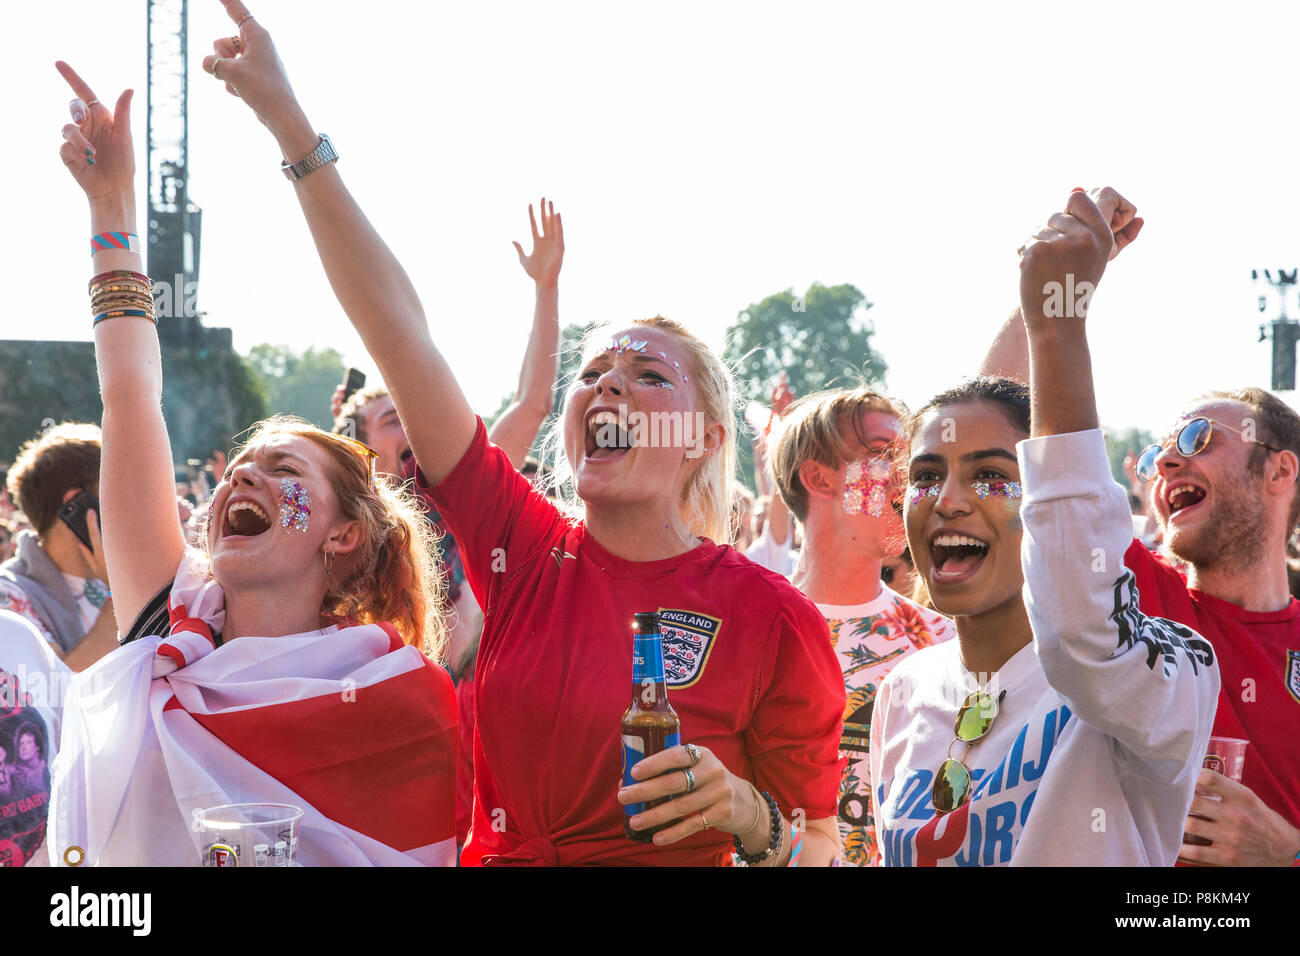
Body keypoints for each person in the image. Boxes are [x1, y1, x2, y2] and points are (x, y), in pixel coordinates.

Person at [205, 0, 844, 866]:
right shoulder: (522, 548)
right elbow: (401, 335)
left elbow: (822, 848)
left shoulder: (774, 617)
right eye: (592, 375)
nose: (608, 382)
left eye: (648, 376)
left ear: (701, 436)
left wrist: (747, 814)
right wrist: (291, 126)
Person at [46, 56, 458, 867]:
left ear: (342, 536)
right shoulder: (165, 626)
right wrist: (110, 208)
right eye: (244, 465)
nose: (245, 477)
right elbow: (130, 396)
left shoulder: (400, 701)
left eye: (287, 473)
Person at [870, 189, 1220, 866]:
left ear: (1043, 502)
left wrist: (1056, 325)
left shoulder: (1167, 667)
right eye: (925, 475)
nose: (948, 500)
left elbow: (1082, 628)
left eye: (992, 475)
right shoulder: (902, 691)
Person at [981, 189, 1300, 866]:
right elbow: (994, 439)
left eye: (1198, 435)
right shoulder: (1135, 602)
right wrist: (1049, 300)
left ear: (1280, 474)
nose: (1168, 458)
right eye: (1161, 450)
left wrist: (1285, 851)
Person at [768, 387, 955, 865]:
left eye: (908, 459)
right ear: (818, 477)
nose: (908, 476)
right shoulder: (752, 626)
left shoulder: (943, 642)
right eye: (882, 454)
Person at [0, 424, 119, 671]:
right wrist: (117, 598)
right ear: (77, 504)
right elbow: (55, 691)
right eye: (116, 492)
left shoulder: (115, 578)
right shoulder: (9, 596)